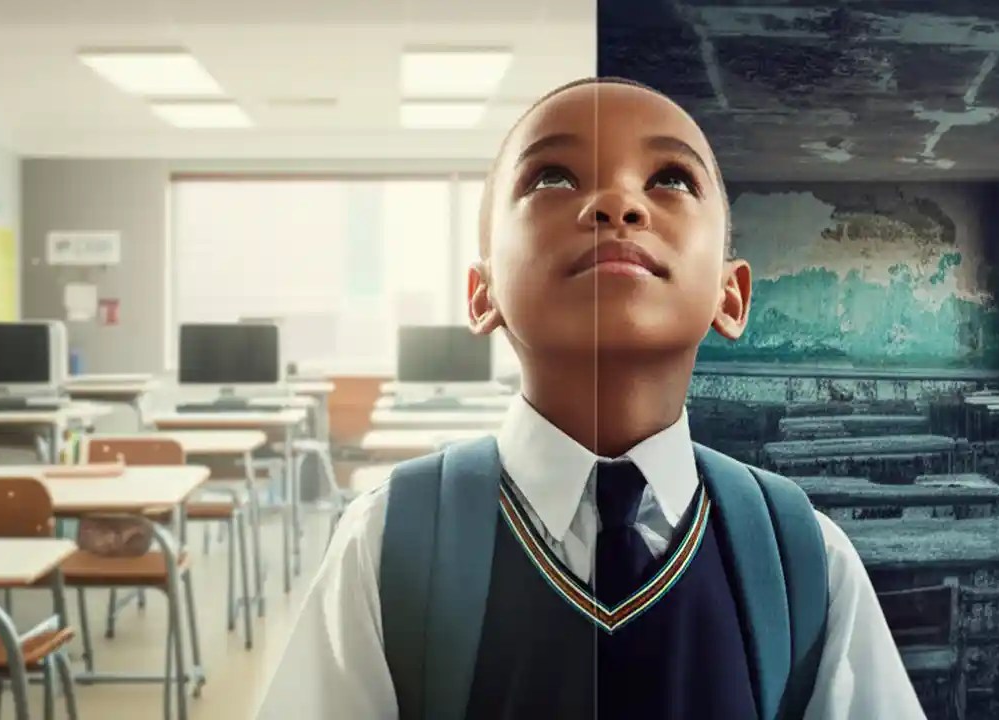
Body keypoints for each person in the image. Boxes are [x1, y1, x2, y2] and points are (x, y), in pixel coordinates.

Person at [258, 76, 926, 720]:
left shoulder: (806, 559)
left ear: (732, 294)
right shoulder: (385, 544)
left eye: (671, 179)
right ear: (481, 292)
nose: (616, 205)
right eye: (552, 177)